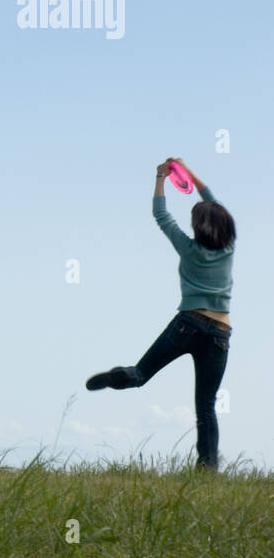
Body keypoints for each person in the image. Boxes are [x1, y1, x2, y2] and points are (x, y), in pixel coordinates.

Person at [85, 158, 235, 471]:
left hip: (188, 324)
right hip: (220, 334)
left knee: (141, 374)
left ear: (198, 228)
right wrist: (187, 170)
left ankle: (123, 375)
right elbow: (213, 201)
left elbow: (161, 214)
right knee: (206, 406)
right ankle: (207, 470)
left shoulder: (188, 248)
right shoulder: (228, 249)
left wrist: (161, 176)